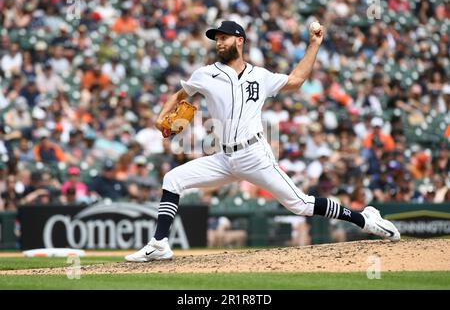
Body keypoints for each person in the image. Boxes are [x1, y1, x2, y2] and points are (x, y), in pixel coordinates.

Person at [125, 21, 400, 262]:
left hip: (254, 155)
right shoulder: (205, 74)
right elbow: (180, 94)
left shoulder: (260, 76)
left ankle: (365, 220)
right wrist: (162, 115)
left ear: (239, 40)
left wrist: (314, 44)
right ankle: (159, 243)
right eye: (216, 38)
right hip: (223, 158)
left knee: (300, 205)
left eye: (224, 37)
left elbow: (297, 80)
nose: (219, 42)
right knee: (172, 179)